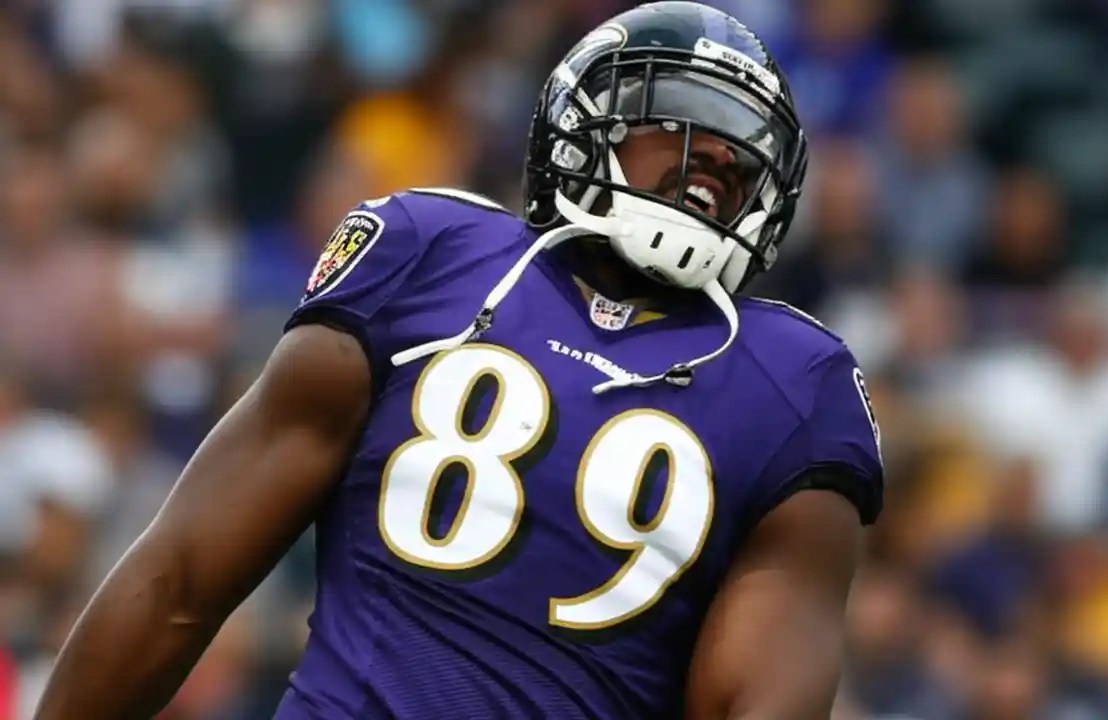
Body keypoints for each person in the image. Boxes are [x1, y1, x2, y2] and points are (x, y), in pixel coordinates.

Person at [35, 3, 884, 718]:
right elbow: (182, 579)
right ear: (585, 125)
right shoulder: (428, 253)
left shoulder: (794, 384)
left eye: (739, 156)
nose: (716, 166)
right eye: (682, 126)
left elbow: (762, 702)